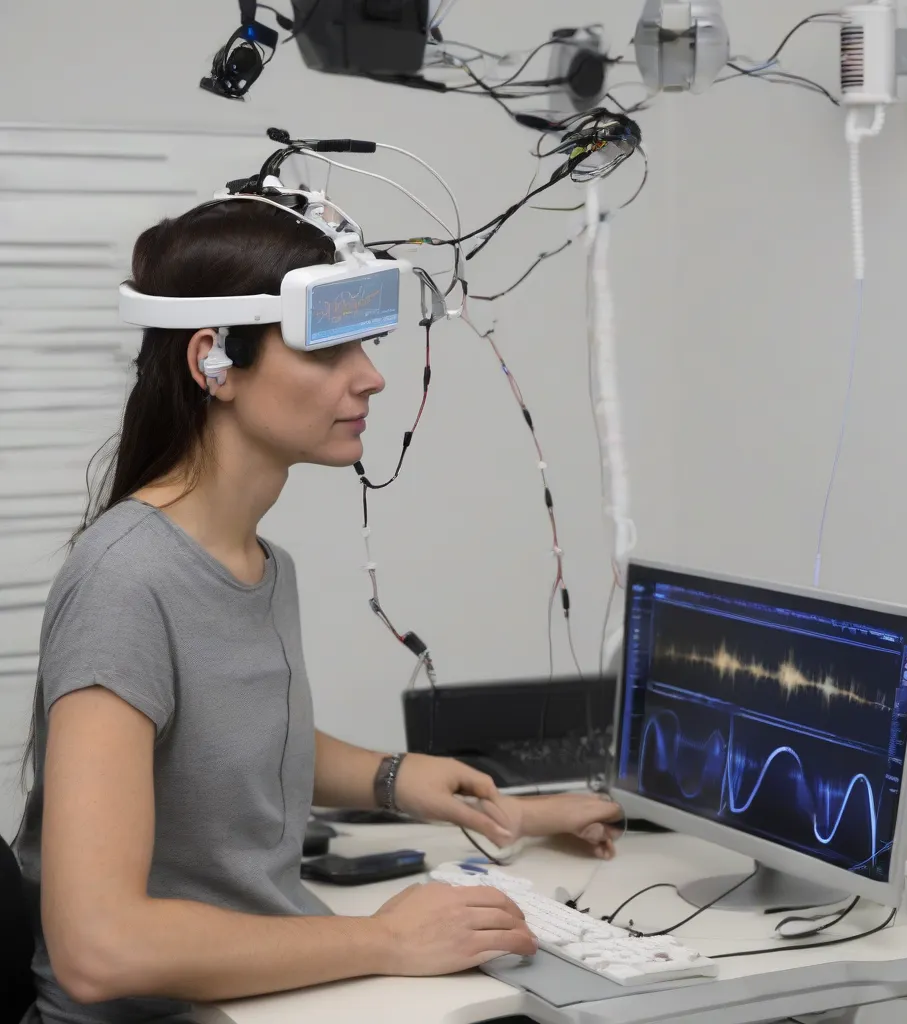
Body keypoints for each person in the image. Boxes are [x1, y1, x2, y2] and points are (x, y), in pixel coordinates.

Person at [14, 200, 623, 1024]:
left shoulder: (258, 562)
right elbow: (99, 949)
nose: (370, 375)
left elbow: (214, 737)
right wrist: (385, 939)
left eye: (365, 344)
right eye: (330, 348)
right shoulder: (127, 582)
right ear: (214, 361)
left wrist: (398, 780)